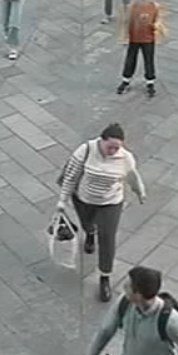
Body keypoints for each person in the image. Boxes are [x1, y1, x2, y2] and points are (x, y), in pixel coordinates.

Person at [57, 123, 147, 303]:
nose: (113, 150)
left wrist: (140, 192)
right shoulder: (85, 150)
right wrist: (62, 200)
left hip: (110, 203)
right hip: (84, 199)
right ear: (101, 140)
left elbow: (132, 176)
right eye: (110, 146)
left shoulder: (125, 158)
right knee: (87, 224)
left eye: (117, 147)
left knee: (108, 239)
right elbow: (71, 176)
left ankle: (105, 277)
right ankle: (90, 233)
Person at [118, 0, 163, 97]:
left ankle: (150, 81)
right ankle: (126, 79)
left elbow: (159, 21)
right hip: (134, 38)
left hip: (148, 39)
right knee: (130, 59)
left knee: (149, 60)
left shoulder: (155, 7)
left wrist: (155, 26)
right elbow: (126, 22)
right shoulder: (132, 7)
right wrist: (124, 37)